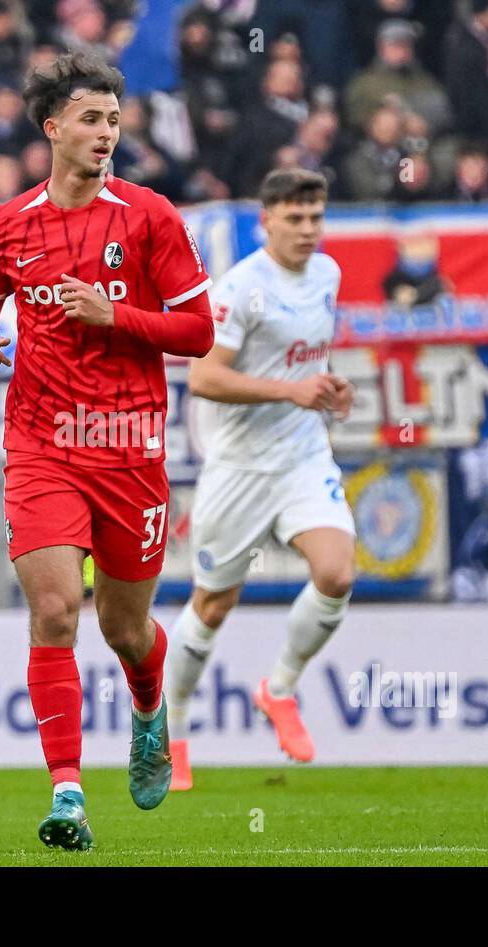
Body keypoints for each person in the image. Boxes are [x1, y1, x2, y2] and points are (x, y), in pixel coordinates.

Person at [0, 51, 215, 851]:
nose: (106, 133)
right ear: (53, 128)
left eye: (114, 119)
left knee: (125, 630)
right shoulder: (7, 226)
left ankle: (148, 707)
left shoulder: (150, 218)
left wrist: (117, 316)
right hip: (42, 444)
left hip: (130, 448)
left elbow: (200, 332)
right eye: (92, 120)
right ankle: (67, 793)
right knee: (56, 608)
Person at [164, 168, 355, 790]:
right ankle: (174, 729)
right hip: (239, 469)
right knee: (214, 605)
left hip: (302, 458)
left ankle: (279, 689)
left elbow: (306, 362)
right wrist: (292, 391)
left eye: (315, 218)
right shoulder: (240, 289)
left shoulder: (328, 275)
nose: (306, 230)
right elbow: (203, 378)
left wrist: (328, 387)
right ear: (266, 221)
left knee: (336, 573)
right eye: (294, 219)